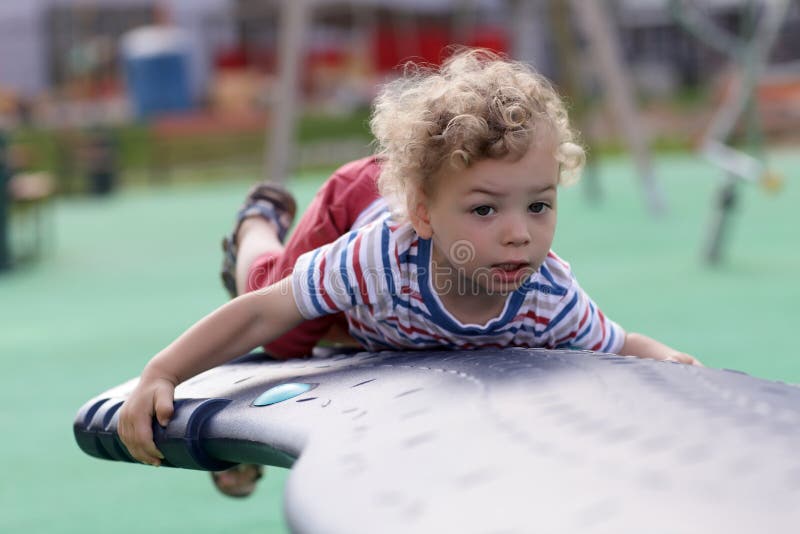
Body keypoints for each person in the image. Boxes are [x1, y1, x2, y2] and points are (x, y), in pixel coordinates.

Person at [118, 48, 700, 497]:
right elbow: (262, 313)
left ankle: (354, 320)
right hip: (357, 198)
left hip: (405, 238)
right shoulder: (379, 256)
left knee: (336, 327)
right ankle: (256, 221)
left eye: (539, 205)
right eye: (485, 209)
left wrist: (674, 365)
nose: (519, 233)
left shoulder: (546, 293)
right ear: (424, 213)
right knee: (285, 325)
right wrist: (161, 372)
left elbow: (621, 343)